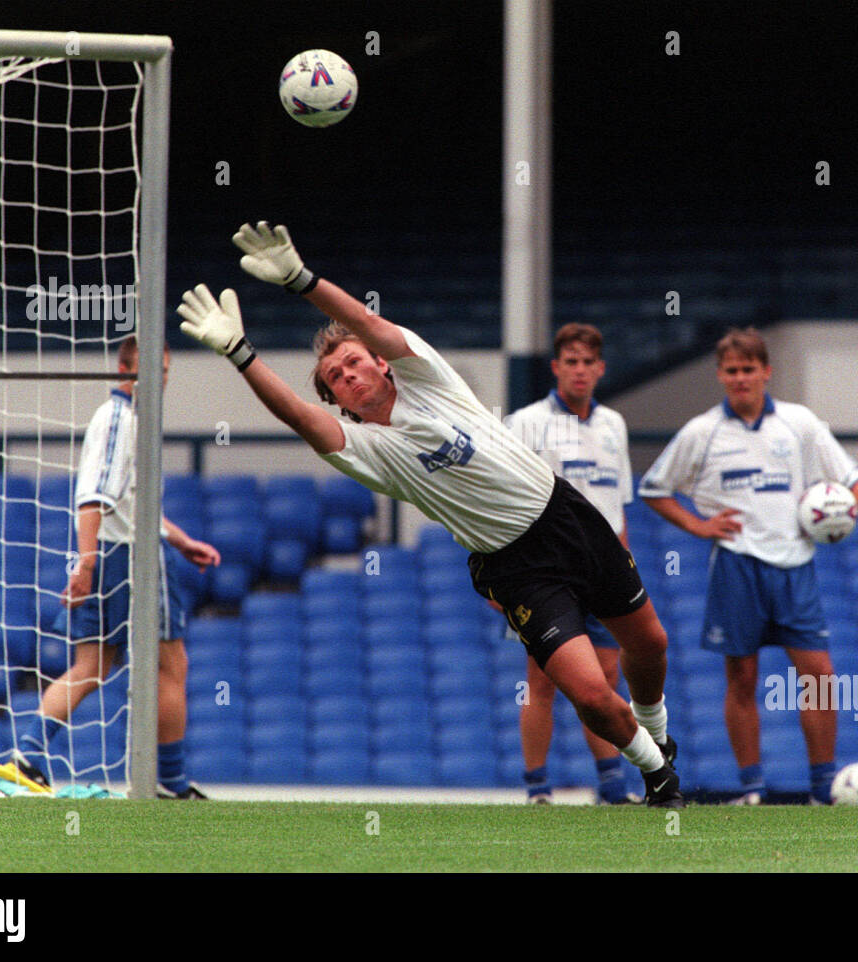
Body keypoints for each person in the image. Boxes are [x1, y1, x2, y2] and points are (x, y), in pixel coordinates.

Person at [175, 221, 684, 807]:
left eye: (354, 363)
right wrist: (240, 353)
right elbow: (296, 415)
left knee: (651, 644)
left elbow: (366, 323)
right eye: (335, 377)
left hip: (567, 515)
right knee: (592, 695)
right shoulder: (367, 449)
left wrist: (300, 278)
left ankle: (662, 738)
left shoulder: (427, 377)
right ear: (337, 399)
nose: (348, 373)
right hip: (518, 569)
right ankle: (657, 774)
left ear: (382, 365)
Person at [640, 328, 858, 805]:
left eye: (748, 369)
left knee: (818, 677)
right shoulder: (702, 431)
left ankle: (822, 789)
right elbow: (655, 488)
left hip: (795, 567)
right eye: (731, 370)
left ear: (766, 371)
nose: (740, 378)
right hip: (737, 566)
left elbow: (852, 478)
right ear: (720, 375)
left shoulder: (799, 424)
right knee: (743, 678)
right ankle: (752, 788)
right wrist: (698, 526)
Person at [12, 338, 222, 799]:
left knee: (90, 667)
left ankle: (27, 755)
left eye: (166, 371)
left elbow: (131, 504)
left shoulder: (124, 421)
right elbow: (93, 498)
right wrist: (85, 565)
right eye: (156, 370)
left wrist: (182, 541)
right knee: (171, 666)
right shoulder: (121, 421)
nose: (162, 380)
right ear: (129, 369)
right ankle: (169, 782)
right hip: (130, 557)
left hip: (117, 550)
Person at [503, 323, 638, 804]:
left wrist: (625, 566)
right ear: (556, 367)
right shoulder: (524, 423)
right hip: (545, 574)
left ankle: (612, 786)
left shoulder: (613, 425)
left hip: (602, 572)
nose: (580, 370)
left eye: (588, 362)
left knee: (605, 680)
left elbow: (618, 504)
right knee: (542, 681)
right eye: (571, 361)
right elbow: (502, 501)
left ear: (600, 369)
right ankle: (538, 789)